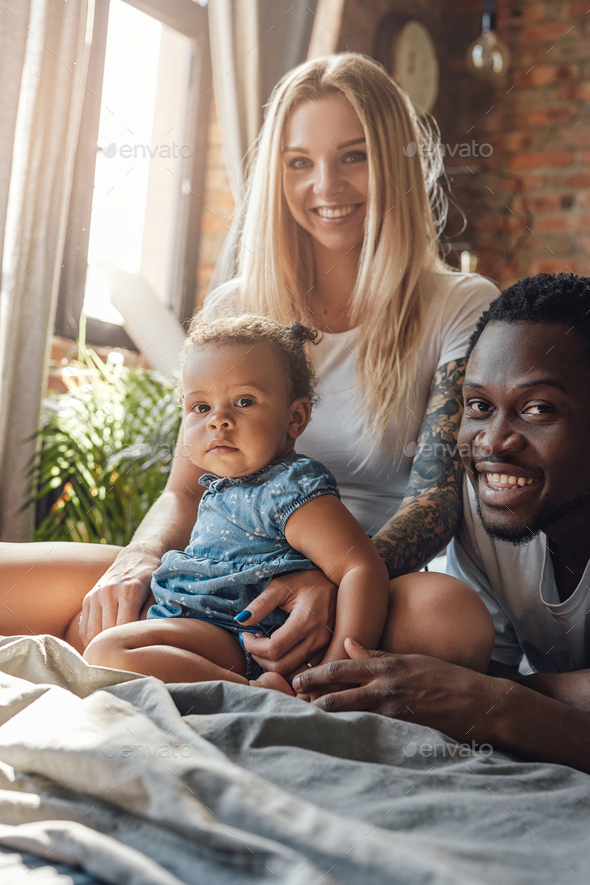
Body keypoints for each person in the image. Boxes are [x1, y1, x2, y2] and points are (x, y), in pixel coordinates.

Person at [0, 53, 498, 674]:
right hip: (213, 567)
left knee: (453, 620)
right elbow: (185, 490)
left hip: (367, 580)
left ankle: (250, 663)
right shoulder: (236, 305)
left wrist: (326, 580)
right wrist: (139, 558)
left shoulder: (462, 304)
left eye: (354, 155)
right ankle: (235, 663)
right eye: (299, 162)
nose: (326, 186)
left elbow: (435, 503)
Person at [293, 273, 590, 774]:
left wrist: (492, 703)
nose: (493, 443)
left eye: (538, 409)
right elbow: (478, 675)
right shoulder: (487, 517)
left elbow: (479, 690)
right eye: (479, 406)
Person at [83, 315, 392, 694]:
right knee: (99, 626)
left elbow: (361, 567)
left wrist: (332, 672)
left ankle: (254, 690)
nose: (219, 421)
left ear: (296, 417)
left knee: (108, 651)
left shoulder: (287, 486)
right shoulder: (221, 488)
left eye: (243, 402)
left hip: (233, 632)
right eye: (200, 407)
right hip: (192, 615)